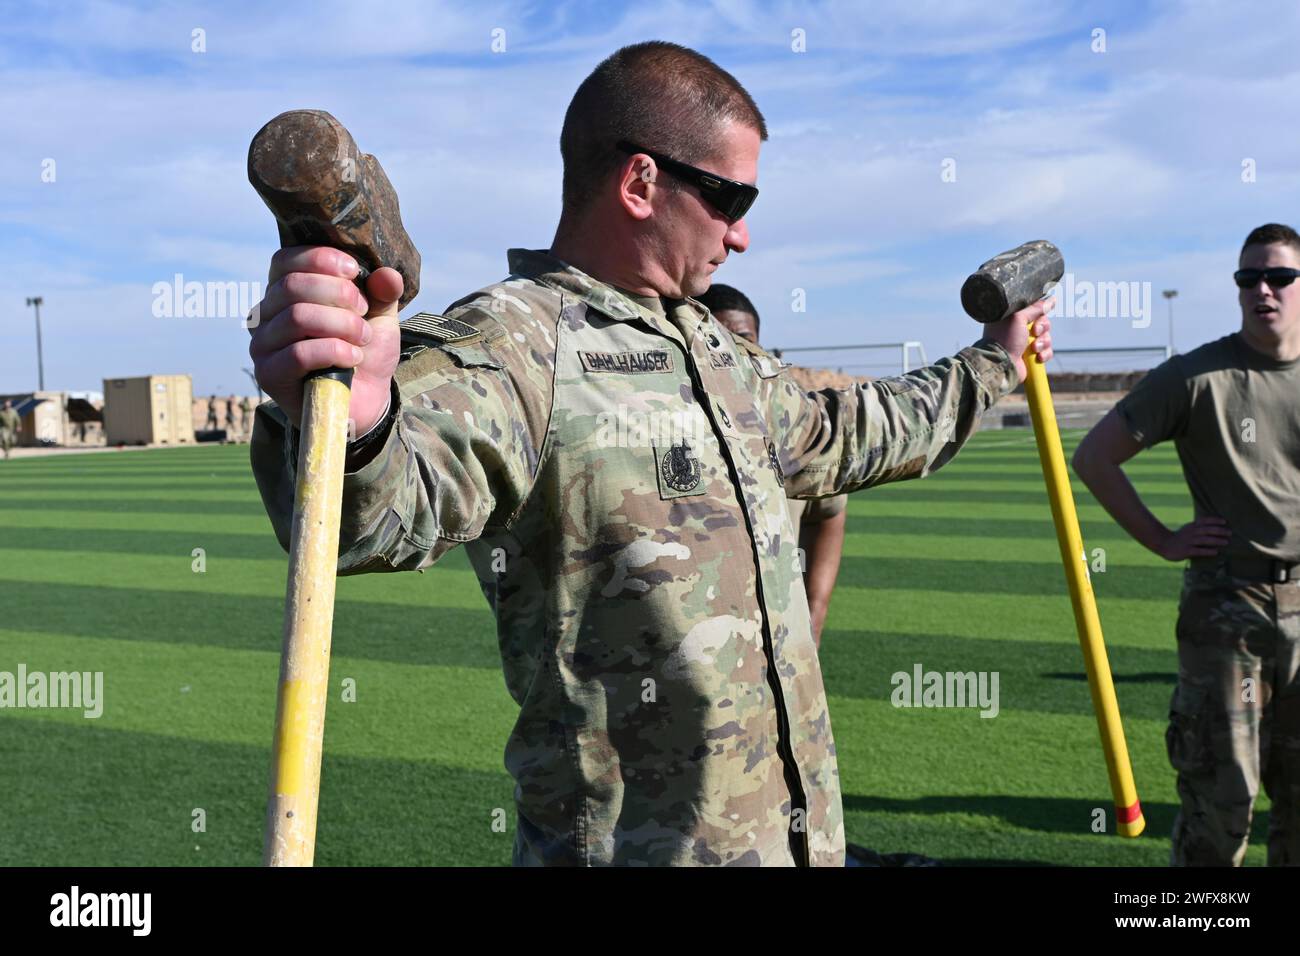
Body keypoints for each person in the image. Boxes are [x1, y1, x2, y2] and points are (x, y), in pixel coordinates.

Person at [247, 40, 1053, 867]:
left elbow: (854, 431)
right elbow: (379, 510)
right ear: (640, 183)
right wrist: (354, 418)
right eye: (730, 196)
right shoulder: (517, 344)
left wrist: (993, 357)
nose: (740, 236)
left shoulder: (715, 348)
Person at [1072, 222, 1300, 867]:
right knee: (1220, 802)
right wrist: (1163, 539)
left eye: (1280, 276)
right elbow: (1096, 457)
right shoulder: (1197, 376)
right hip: (1229, 605)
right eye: (1249, 277)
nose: (1264, 289)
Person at [698, 283, 850, 647]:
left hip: (774, 656)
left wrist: (815, 611)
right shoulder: (661, 426)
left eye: (746, 339)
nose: (734, 352)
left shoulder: (784, 428)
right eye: (716, 338)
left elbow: (829, 511)